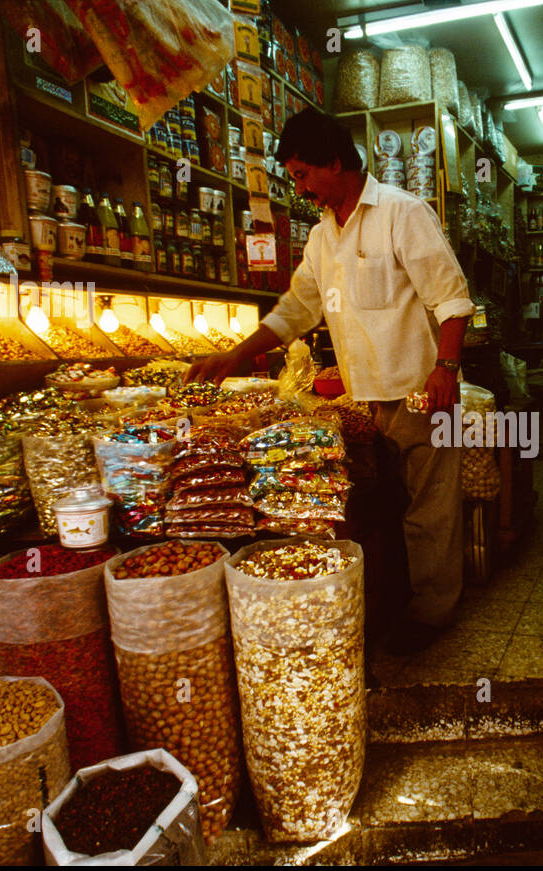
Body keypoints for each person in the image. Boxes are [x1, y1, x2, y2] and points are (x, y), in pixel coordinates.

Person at [188, 107, 472, 654]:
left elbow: (452, 299)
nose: (300, 187)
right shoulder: (323, 236)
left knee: (430, 507)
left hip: (419, 387)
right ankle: (395, 601)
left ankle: (434, 614)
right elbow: (297, 308)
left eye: (302, 174)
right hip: (366, 399)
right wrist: (233, 355)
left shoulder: (401, 213)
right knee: (386, 506)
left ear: (334, 162)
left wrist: (447, 369)